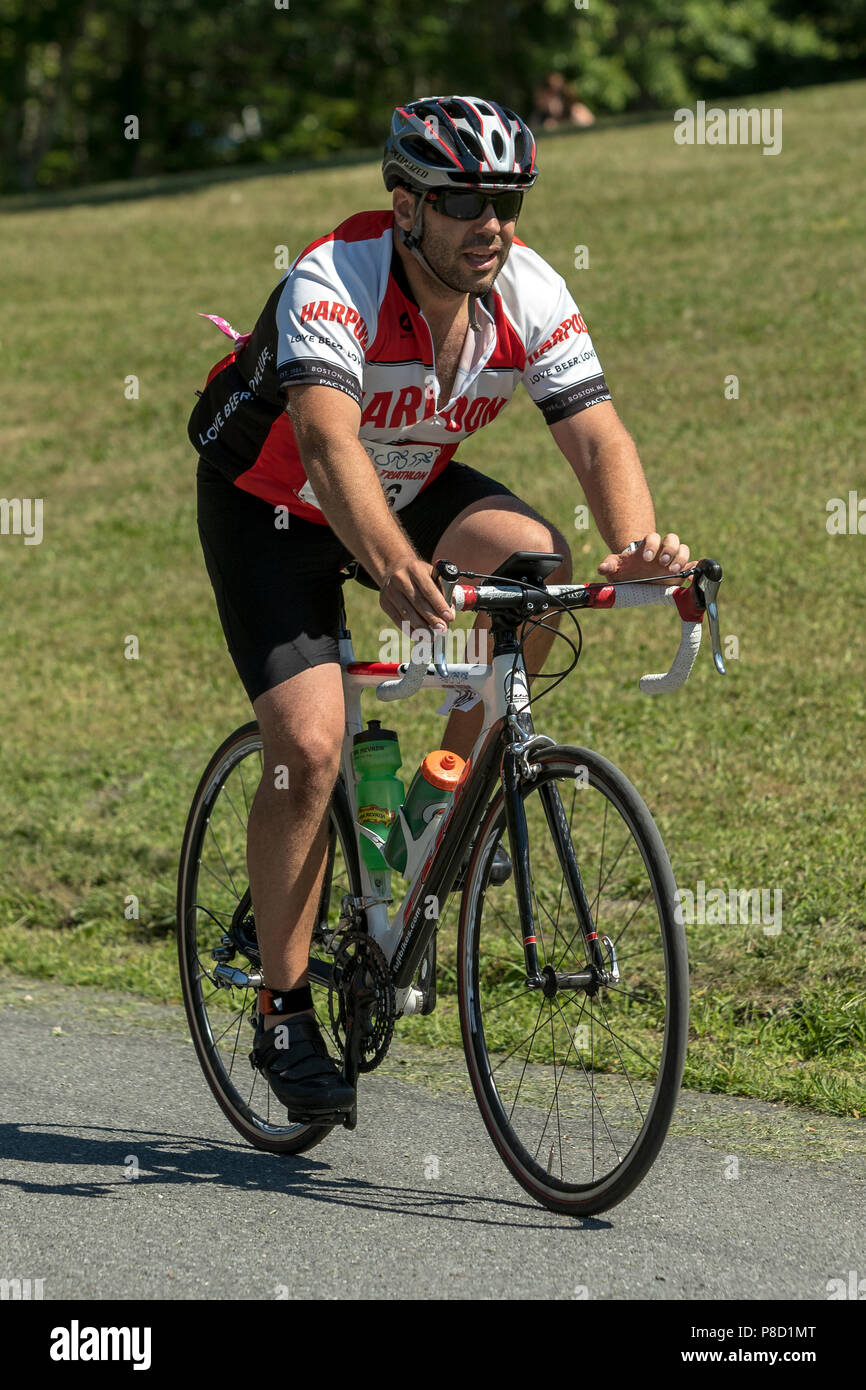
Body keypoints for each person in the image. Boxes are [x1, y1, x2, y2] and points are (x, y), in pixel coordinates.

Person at [188, 94, 689, 1122]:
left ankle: (431, 811)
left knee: (536, 575)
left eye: (505, 197)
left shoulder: (529, 289)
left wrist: (635, 546)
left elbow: (596, 436)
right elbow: (328, 450)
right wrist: (392, 570)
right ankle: (283, 1009)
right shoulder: (335, 279)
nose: (490, 221)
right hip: (273, 504)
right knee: (310, 744)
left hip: (405, 482)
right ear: (404, 201)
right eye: (463, 197)